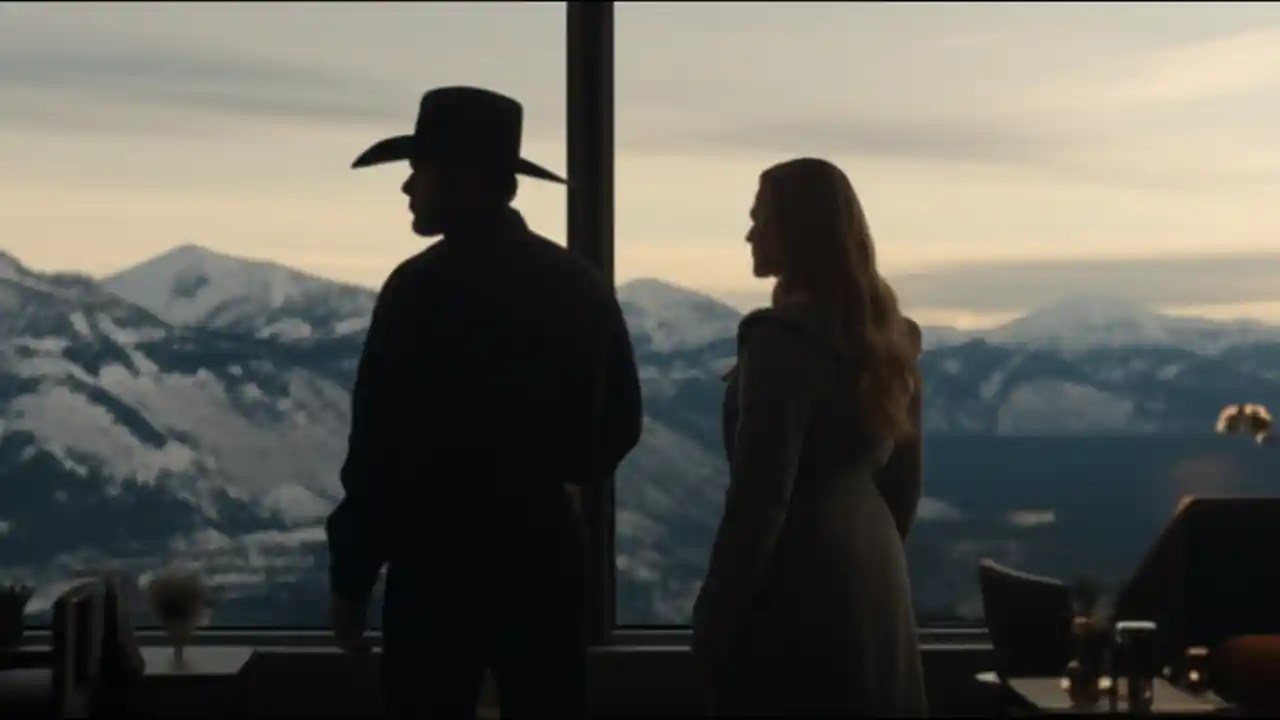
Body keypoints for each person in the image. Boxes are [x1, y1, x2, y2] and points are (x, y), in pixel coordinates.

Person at [325, 86, 643, 719]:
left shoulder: (419, 290)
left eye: (419, 170)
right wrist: (562, 475)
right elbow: (619, 423)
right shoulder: (577, 285)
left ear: (462, 178)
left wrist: (351, 577)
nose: (407, 188)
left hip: (435, 565)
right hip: (544, 557)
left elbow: (378, 451)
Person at [692, 157, 927, 716]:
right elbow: (904, 485)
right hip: (875, 569)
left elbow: (760, 499)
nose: (749, 233)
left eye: (760, 218)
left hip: (800, 576)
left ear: (797, 230)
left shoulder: (778, 341)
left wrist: (716, 614)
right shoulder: (892, 339)